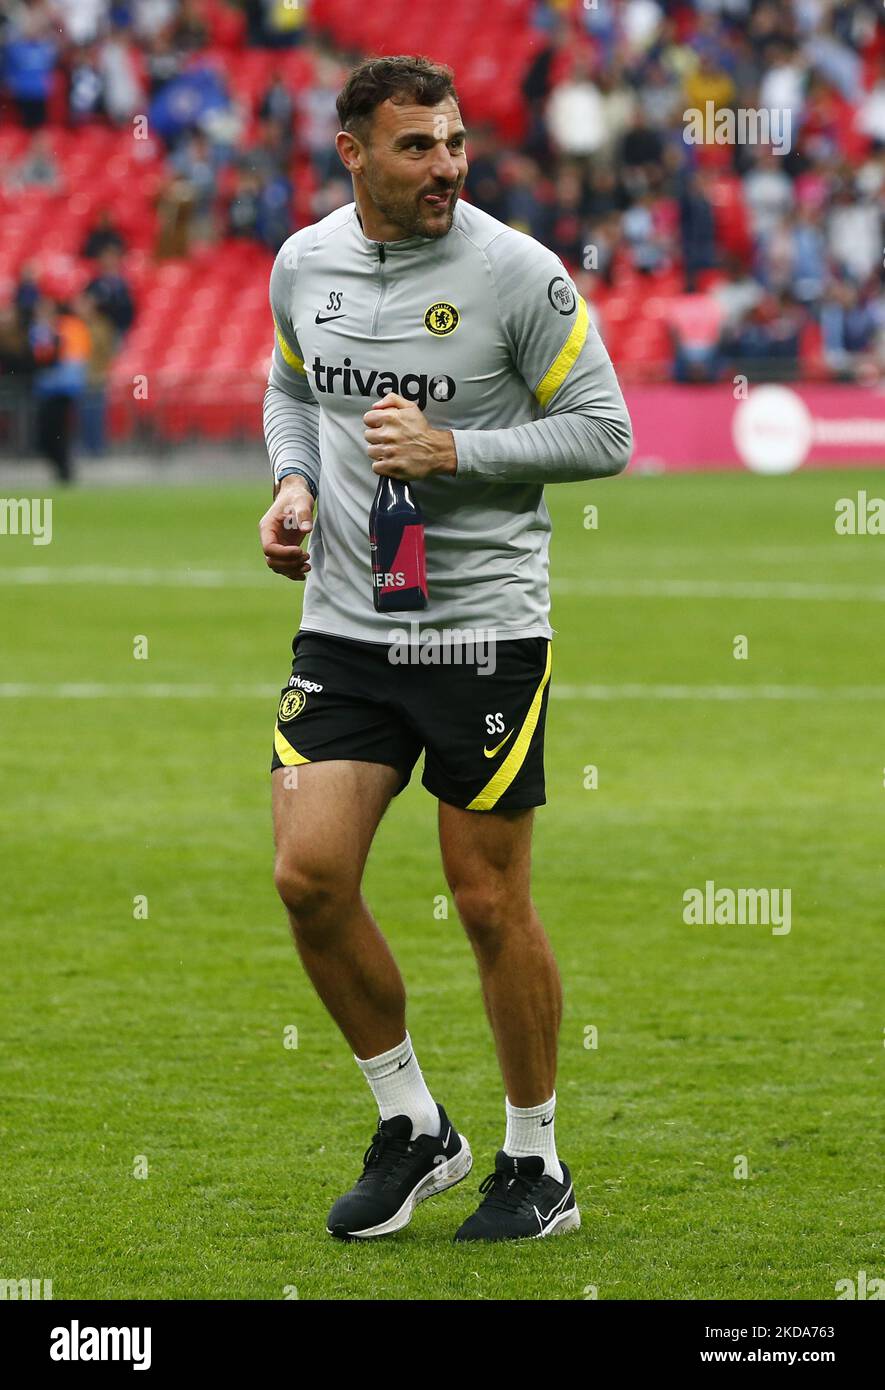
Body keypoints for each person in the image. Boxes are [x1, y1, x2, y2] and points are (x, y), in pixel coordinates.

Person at [259, 55, 632, 1244]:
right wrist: (293, 480)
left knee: (485, 902)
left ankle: (539, 1162)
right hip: (347, 623)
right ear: (353, 152)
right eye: (417, 146)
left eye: (456, 142)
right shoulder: (301, 261)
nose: (447, 167)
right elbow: (290, 387)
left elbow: (606, 432)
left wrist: (456, 453)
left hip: (480, 629)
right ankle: (415, 1123)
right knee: (308, 877)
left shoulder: (520, 272)